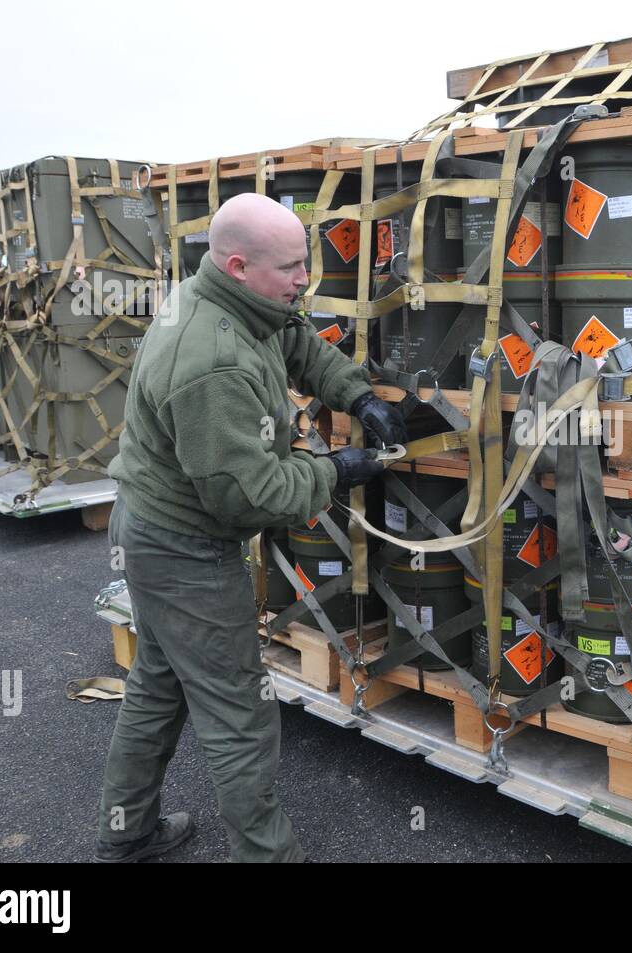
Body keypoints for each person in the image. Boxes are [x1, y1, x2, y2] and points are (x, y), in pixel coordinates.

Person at [95, 193, 406, 862]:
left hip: (153, 528)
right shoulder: (213, 360)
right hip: (183, 548)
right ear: (238, 264)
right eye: (292, 266)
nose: (304, 278)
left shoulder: (230, 297)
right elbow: (251, 496)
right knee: (239, 716)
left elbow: (294, 340)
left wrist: (355, 394)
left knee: (157, 683)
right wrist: (337, 470)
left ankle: (128, 833)